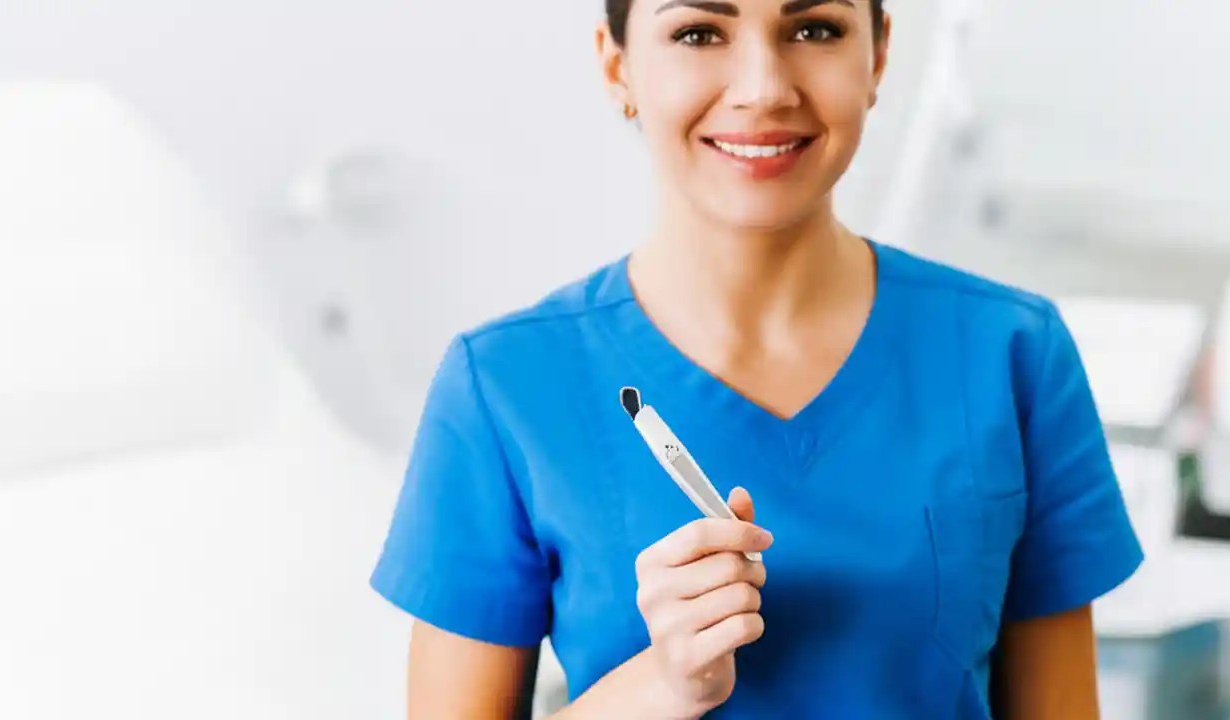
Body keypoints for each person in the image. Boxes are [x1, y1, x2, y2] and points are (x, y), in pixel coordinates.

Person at [370, 0, 1144, 717]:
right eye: (700, 32)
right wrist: (660, 686)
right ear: (618, 66)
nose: (764, 88)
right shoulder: (503, 388)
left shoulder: (1012, 355)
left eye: (814, 29)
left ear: (877, 57)